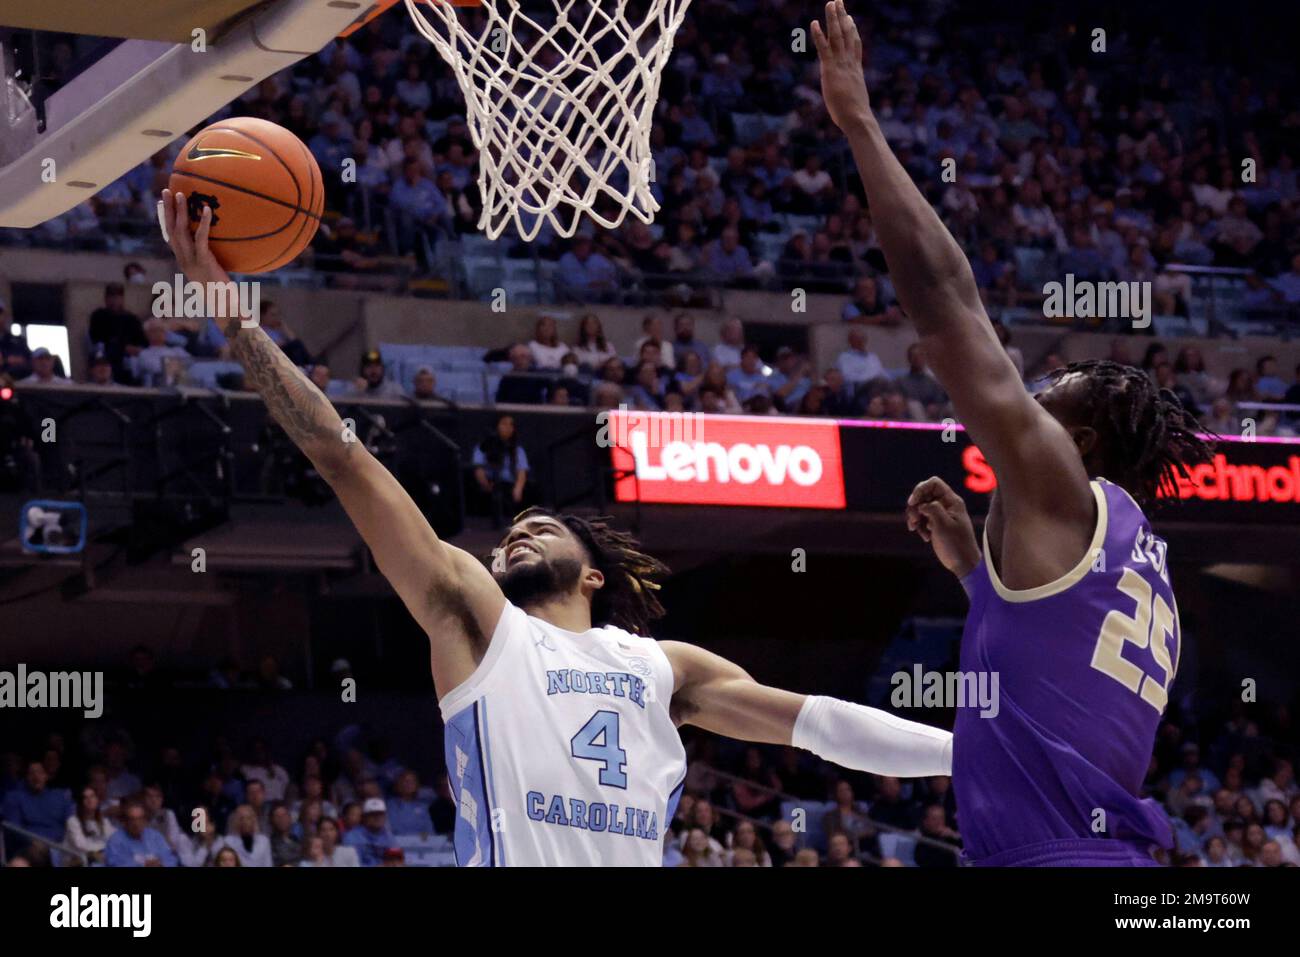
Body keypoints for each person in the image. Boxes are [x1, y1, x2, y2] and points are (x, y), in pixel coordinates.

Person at [161, 187, 954, 867]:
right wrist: (236, 322)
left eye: (541, 525)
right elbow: (344, 460)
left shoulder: (665, 667)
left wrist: (961, 753)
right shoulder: (475, 615)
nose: (517, 535)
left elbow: (819, 723)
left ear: (595, 573)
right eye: (510, 533)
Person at [816, 0, 1212, 866]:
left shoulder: (1068, 489)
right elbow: (1052, 685)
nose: (1025, 402)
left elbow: (947, 300)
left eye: (1047, 398)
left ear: (1085, 444)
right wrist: (974, 573)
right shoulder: (1138, 559)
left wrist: (860, 124)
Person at [472, 414, 531, 527]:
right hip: (489, 483)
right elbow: (478, 469)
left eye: (511, 425)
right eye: (504, 424)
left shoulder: (518, 450)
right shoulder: (483, 447)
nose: (508, 427)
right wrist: (485, 485)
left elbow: (522, 472)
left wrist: (518, 489)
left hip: (509, 485)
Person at [104, 799, 179, 867]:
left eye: (140, 819)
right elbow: (115, 863)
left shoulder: (155, 835)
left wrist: (161, 863)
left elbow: (170, 858)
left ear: (145, 820)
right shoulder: (115, 841)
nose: (136, 823)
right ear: (125, 822)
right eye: (132, 819)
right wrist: (143, 865)